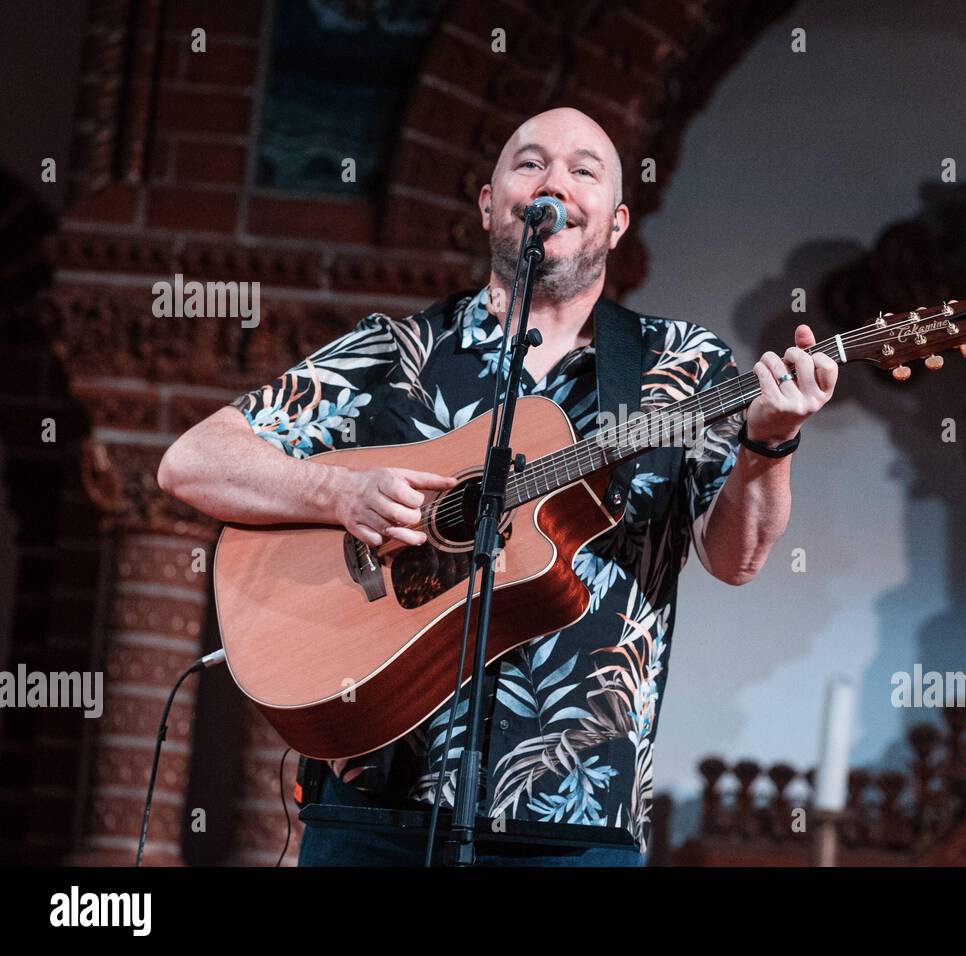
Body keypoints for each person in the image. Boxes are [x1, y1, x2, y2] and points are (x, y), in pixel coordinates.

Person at [157, 107, 839, 866]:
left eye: (584, 170)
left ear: (615, 224)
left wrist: (769, 443)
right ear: (489, 203)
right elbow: (193, 461)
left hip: (576, 823)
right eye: (530, 163)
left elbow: (736, 558)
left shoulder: (680, 366)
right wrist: (338, 495)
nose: (555, 183)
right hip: (370, 815)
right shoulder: (395, 351)